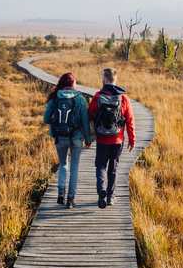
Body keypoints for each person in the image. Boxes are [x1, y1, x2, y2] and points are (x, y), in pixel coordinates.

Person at [88, 67, 135, 209]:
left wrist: (89, 137)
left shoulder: (97, 96)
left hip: (102, 139)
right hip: (117, 140)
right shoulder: (124, 98)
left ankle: (101, 191)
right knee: (113, 168)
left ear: (105, 79)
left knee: (100, 166)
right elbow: (130, 120)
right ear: (116, 80)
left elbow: (89, 115)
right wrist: (132, 139)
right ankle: (110, 197)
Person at [44, 72, 92, 208]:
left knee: (63, 164)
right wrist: (88, 139)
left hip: (60, 137)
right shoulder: (81, 99)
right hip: (76, 138)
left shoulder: (55, 97)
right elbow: (85, 122)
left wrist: (56, 123)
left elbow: (46, 119)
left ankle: (60, 193)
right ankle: (70, 199)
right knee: (75, 167)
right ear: (73, 84)